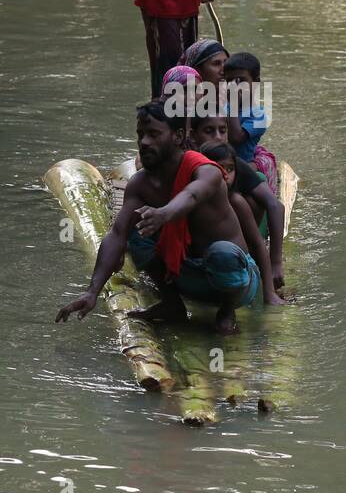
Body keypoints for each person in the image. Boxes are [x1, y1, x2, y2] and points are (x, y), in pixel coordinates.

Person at [55, 101, 258, 334]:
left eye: (153, 134)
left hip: (235, 280)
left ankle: (226, 311)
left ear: (178, 136)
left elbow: (191, 195)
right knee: (135, 230)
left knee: (221, 252)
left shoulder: (206, 171)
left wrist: (163, 213)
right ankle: (172, 304)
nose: (144, 142)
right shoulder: (141, 183)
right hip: (187, 276)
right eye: (140, 135)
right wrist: (92, 291)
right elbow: (117, 234)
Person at [188, 114, 285, 291]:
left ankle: (249, 262)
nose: (218, 137)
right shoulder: (189, 167)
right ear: (193, 137)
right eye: (209, 131)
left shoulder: (233, 172)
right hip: (200, 248)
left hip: (234, 245)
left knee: (246, 195)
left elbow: (275, 205)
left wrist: (276, 262)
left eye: (222, 131)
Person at [222, 51, 277, 194]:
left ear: (256, 83)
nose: (235, 86)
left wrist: (233, 104)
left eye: (241, 80)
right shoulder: (224, 107)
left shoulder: (259, 116)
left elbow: (235, 138)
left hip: (243, 170)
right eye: (230, 81)